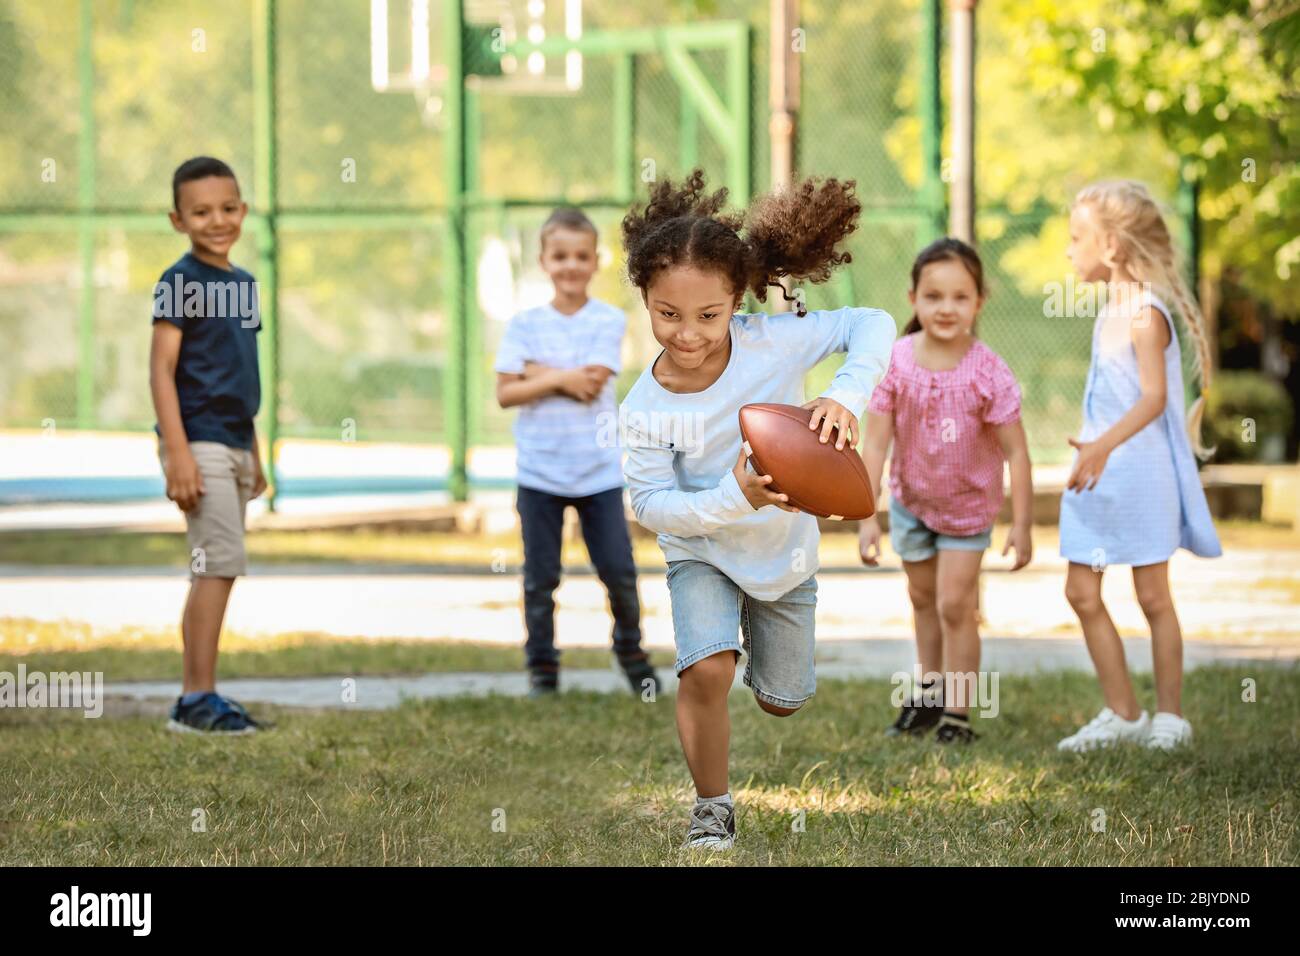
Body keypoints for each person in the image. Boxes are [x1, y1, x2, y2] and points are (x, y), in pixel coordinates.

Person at [619, 169, 895, 849]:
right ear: (645, 300)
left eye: (708, 315)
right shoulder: (644, 409)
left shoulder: (774, 341)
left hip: (782, 553)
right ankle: (712, 808)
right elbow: (652, 505)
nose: (687, 333)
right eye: (667, 314)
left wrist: (844, 398)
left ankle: (765, 659)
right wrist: (731, 498)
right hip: (702, 550)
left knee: (782, 700)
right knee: (707, 668)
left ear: (736, 300)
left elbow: (874, 324)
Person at [1056, 180, 1222, 753]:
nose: (1068, 249)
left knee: (1153, 597)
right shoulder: (1109, 312)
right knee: (1081, 591)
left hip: (1140, 475)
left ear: (1111, 247)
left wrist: (1102, 445)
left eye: (1076, 238)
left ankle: (1170, 717)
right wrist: (1094, 452)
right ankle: (1123, 712)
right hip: (1098, 479)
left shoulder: (1147, 314)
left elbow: (1152, 399)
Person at [858, 238, 1033, 743]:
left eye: (960, 297)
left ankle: (957, 715)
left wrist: (1021, 526)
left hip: (968, 510)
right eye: (934, 296)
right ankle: (929, 695)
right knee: (922, 598)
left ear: (979, 301)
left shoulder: (989, 371)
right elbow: (875, 447)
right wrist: (866, 516)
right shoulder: (894, 362)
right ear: (913, 298)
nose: (947, 308)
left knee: (955, 605)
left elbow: (1018, 453)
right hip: (912, 504)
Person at [494, 207, 661, 698]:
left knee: (619, 573)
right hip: (539, 474)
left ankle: (632, 656)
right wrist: (560, 376)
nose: (570, 265)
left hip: (598, 475)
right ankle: (543, 672)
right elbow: (505, 392)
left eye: (581, 256)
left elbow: (591, 385)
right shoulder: (523, 323)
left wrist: (537, 374)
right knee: (540, 580)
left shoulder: (609, 320)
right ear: (544, 261)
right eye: (560, 256)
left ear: (595, 261)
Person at [149, 156, 266, 734]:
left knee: (214, 569)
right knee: (216, 568)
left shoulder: (244, 286)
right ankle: (197, 699)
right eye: (201, 212)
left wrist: (257, 454)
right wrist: (178, 452)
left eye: (227, 208)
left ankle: (198, 696)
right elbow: (161, 371)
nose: (217, 220)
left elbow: (242, 375)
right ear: (178, 220)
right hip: (198, 444)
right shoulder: (180, 282)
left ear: (242, 211)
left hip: (235, 444)